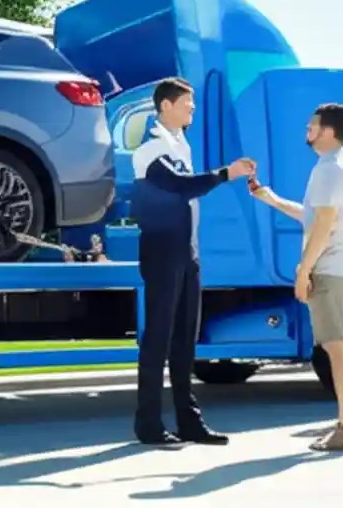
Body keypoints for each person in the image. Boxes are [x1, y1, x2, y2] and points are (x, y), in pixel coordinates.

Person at [130, 76, 255, 446]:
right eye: (187, 103)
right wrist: (226, 174)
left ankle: (189, 422)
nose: (192, 109)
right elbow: (180, 186)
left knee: (185, 340)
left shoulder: (180, 144)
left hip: (187, 252)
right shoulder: (150, 149)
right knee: (158, 338)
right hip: (162, 252)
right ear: (165, 105)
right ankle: (149, 423)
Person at [249, 102, 343, 451]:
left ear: (328, 132)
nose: (307, 130)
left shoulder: (330, 170)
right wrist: (272, 199)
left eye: (312, 126)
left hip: (329, 270)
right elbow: (314, 216)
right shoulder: (337, 166)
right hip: (340, 269)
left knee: (338, 351)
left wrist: (304, 270)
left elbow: (324, 225)